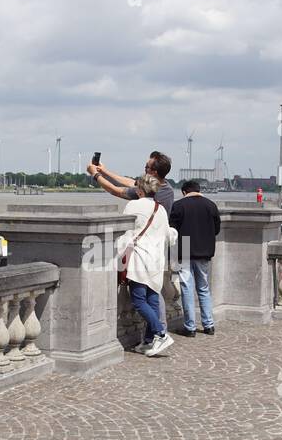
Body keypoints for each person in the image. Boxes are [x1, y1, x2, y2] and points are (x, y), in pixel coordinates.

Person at [117, 174, 178, 357]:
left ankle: (161, 334)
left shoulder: (133, 205)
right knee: (152, 299)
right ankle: (149, 341)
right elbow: (168, 235)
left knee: (138, 300)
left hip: (140, 258)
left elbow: (125, 232)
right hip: (157, 260)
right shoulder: (160, 209)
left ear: (139, 190)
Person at [168, 179, 220, 337]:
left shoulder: (178, 205)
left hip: (184, 248)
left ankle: (190, 327)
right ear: (198, 190)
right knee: (203, 287)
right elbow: (216, 229)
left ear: (184, 192)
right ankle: (209, 325)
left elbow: (172, 230)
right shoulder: (211, 205)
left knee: (187, 288)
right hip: (204, 249)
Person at [87, 152, 175, 213]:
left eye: (146, 167)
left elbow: (115, 190)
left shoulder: (148, 190)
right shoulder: (167, 188)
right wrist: (104, 171)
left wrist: (95, 174)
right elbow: (132, 183)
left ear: (154, 172)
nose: (144, 169)